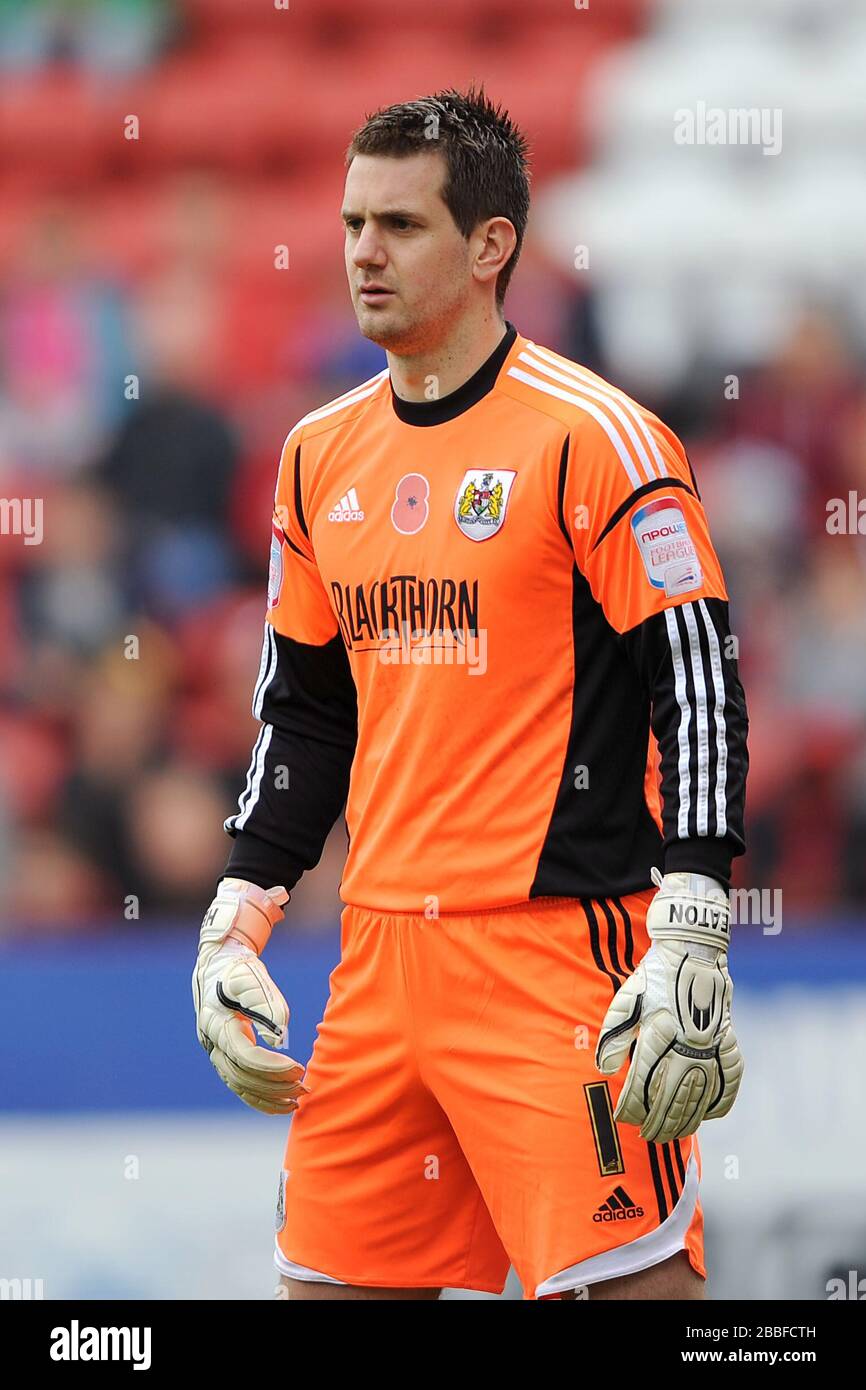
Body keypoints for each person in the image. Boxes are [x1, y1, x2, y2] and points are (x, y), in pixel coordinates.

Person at [192, 87, 749, 1301]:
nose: (361, 253)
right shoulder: (314, 453)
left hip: (553, 954)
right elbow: (304, 712)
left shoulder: (600, 439)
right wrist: (241, 903)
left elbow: (696, 679)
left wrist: (695, 905)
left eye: (398, 224)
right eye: (349, 224)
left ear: (489, 245)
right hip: (377, 958)